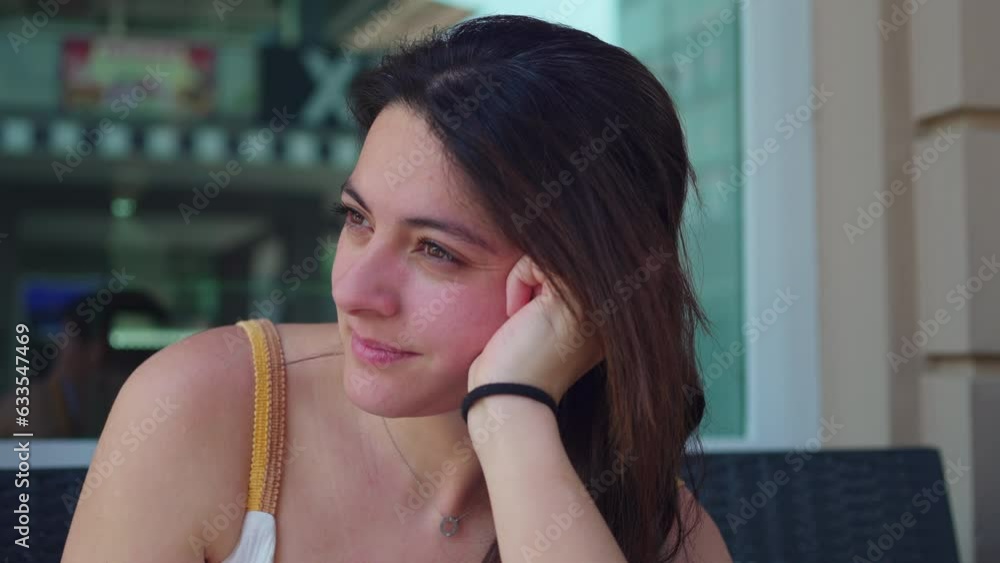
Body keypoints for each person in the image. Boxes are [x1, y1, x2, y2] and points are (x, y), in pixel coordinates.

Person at [62, 14, 732, 562]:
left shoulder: (650, 525)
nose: (354, 291)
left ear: (575, 287)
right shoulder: (205, 410)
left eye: (437, 251)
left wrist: (511, 412)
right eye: (357, 219)